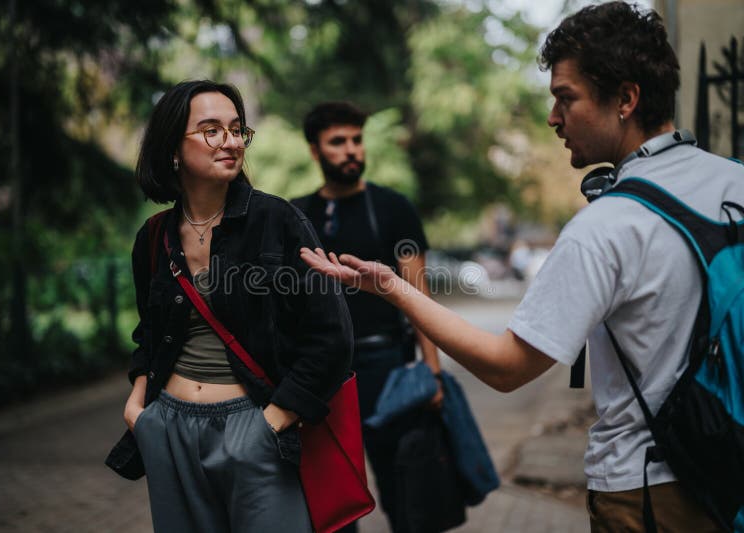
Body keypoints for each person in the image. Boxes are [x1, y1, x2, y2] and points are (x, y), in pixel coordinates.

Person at [300, 2, 744, 531]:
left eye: (565, 98)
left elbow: (507, 366)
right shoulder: (734, 182)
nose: (554, 118)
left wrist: (393, 289)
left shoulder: (607, 224)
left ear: (626, 98)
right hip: (731, 459)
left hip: (647, 488)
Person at [118, 80, 353, 533]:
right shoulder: (152, 238)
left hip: (256, 426)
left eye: (237, 129)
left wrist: (272, 423)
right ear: (172, 149)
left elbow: (332, 338)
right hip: (167, 428)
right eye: (211, 130)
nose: (230, 141)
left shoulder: (279, 221)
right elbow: (149, 332)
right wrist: (138, 402)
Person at [291, 101, 443, 532]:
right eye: (337, 142)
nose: (351, 150)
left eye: (357, 140)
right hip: (322, 374)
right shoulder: (297, 215)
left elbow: (420, 294)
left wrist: (431, 371)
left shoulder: (394, 208)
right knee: (336, 505)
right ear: (315, 151)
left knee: (405, 494)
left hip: (386, 366)